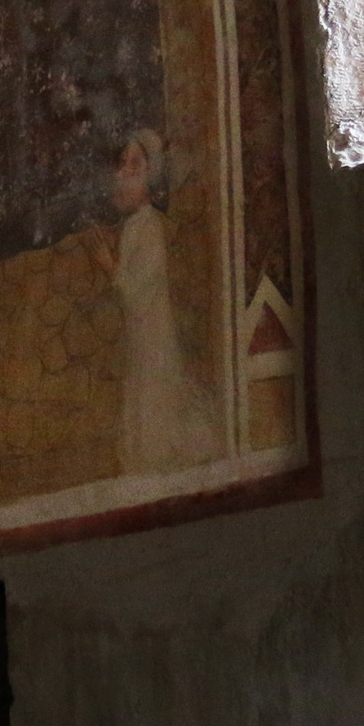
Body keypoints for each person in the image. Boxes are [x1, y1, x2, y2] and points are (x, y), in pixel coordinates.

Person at [111, 130, 217, 475]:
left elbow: (137, 288)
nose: (125, 172)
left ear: (150, 175)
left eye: (135, 165)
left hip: (153, 329)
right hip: (140, 330)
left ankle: (158, 453)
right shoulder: (132, 228)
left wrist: (107, 268)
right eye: (123, 163)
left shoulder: (150, 228)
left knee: (155, 385)